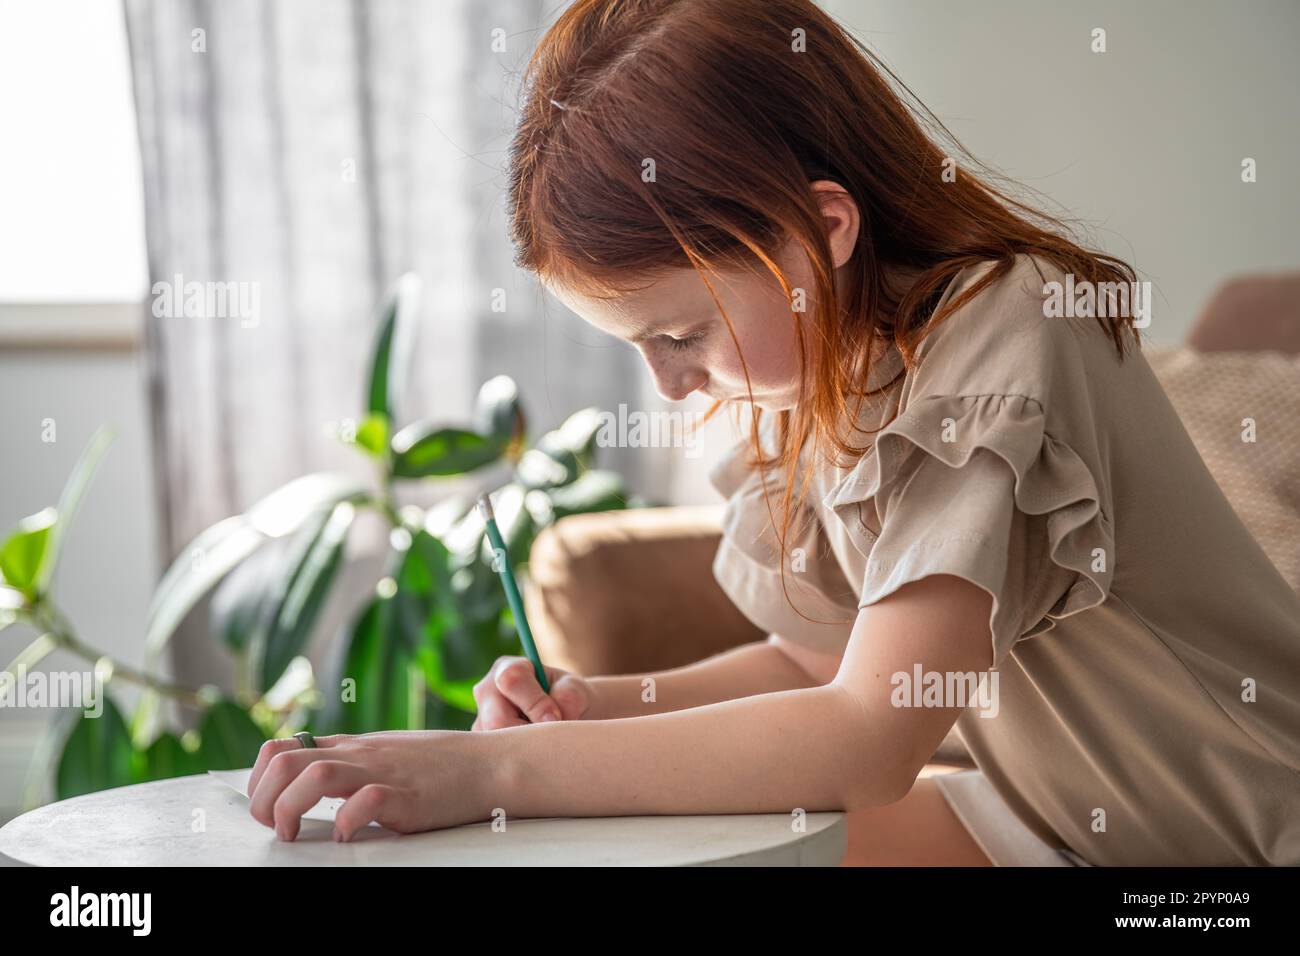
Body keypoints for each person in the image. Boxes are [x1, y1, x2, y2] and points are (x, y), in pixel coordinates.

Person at [246, 0, 1300, 865]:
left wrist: (483, 768)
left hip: (1238, 843)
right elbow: (814, 663)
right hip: (1057, 818)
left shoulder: (1004, 324)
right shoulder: (814, 375)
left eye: (681, 330)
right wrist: (592, 709)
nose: (665, 382)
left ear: (822, 230)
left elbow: (868, 734)